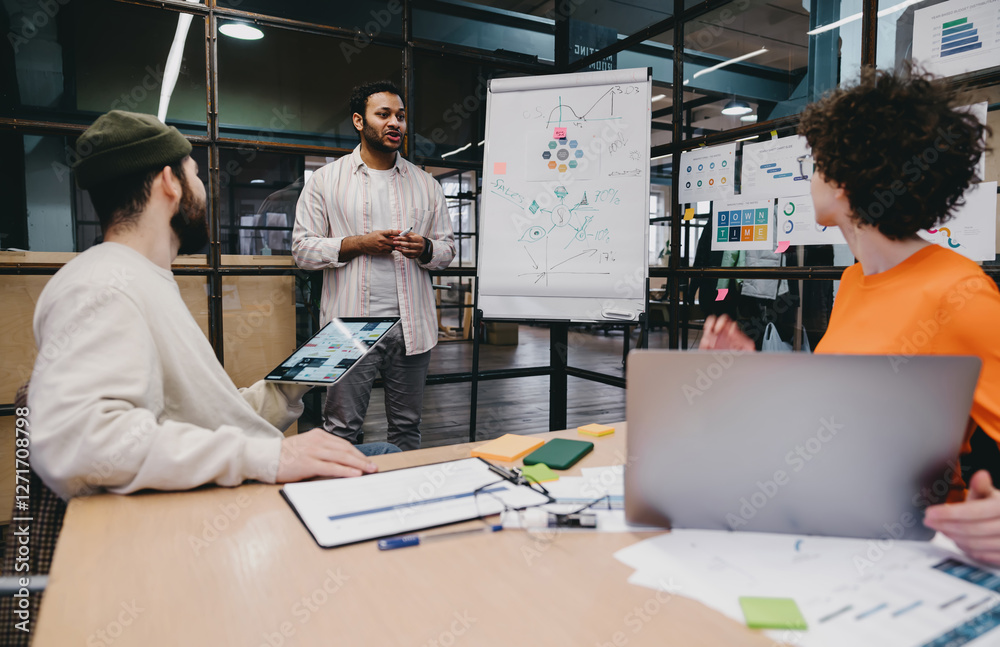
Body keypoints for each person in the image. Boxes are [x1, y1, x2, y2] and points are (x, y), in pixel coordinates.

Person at [698, 66, 1000, 564]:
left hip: (916, 552)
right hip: (834, 526)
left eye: (814, 163)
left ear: (842, 182)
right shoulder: (854, 282)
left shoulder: (961, 293)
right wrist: (754, 374)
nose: (809, 177)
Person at [29, 110, 400, 501]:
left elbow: (206, 418)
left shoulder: (141, 278)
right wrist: (270, 456)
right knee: (388, 458)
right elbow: (82, 445)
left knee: (385, 456)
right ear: (170, 183)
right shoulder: (101, 286)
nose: (204, 190)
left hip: (234, 472)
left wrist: (296, 381)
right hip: (213, 501)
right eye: (196, 175)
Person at [292, 81, 456, 451]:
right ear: (358, 121)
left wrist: (427, 248)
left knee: (407, 428)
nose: (395, 123)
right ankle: (342, 505)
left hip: (412, 327)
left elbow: (447, 249)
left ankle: (401, 501)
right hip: (345, 327)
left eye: (400, 116)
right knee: (340, 429)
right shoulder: (325, 181)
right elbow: (302, 250)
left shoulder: (426, 184)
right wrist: (357, 244)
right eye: (383, 115)